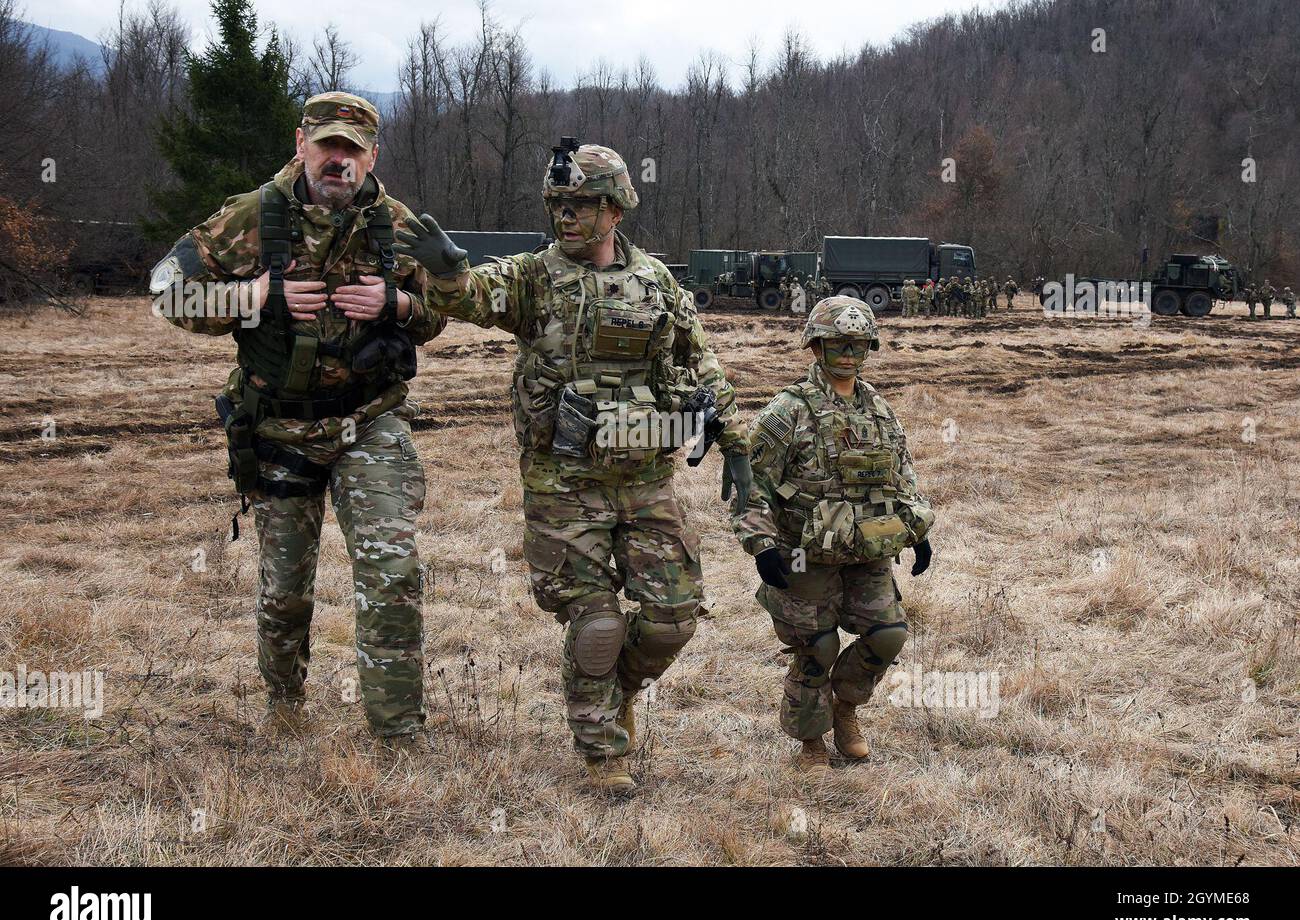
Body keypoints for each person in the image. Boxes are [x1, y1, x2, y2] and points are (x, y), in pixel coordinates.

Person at [395, 139, 750, 794]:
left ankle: (615, 692)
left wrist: (736, 445)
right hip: (564, 485)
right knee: (598, 622)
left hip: (646, 482)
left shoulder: (658, 284)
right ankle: (602, 751)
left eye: (582, 204)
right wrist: (445, 273)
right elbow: (471, 297)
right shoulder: (533, 278)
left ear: (616, 208)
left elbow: (702, 365)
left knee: (673, 617)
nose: (567, 215)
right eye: (559, 204)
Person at [149, 92, 443, 746]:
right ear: (302, 142)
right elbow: (166, 291)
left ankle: (398, 734)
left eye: (352, 149)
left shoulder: (396, 226)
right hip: (281, 426)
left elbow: (436, 315)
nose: (338, 160)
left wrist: (396, 304)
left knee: (392, 574)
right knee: (285, 592)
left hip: (369, 421)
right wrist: (251, 295)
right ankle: (285, 705)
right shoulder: (253, 219)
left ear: (373, 155)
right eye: (327, 145)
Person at [732, 296, 933, 774]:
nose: (848, 353)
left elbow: (902, 478)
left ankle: (845, 709)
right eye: (838, 343)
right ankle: (811, 741)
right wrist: (761, 545)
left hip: (866, 548)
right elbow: (751, 486)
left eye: (857, 344)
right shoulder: (788, 411)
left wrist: (915, 529)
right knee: (817, 647)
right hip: (804, 554)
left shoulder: (880, 410)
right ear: (816, 346)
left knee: (888, 635)